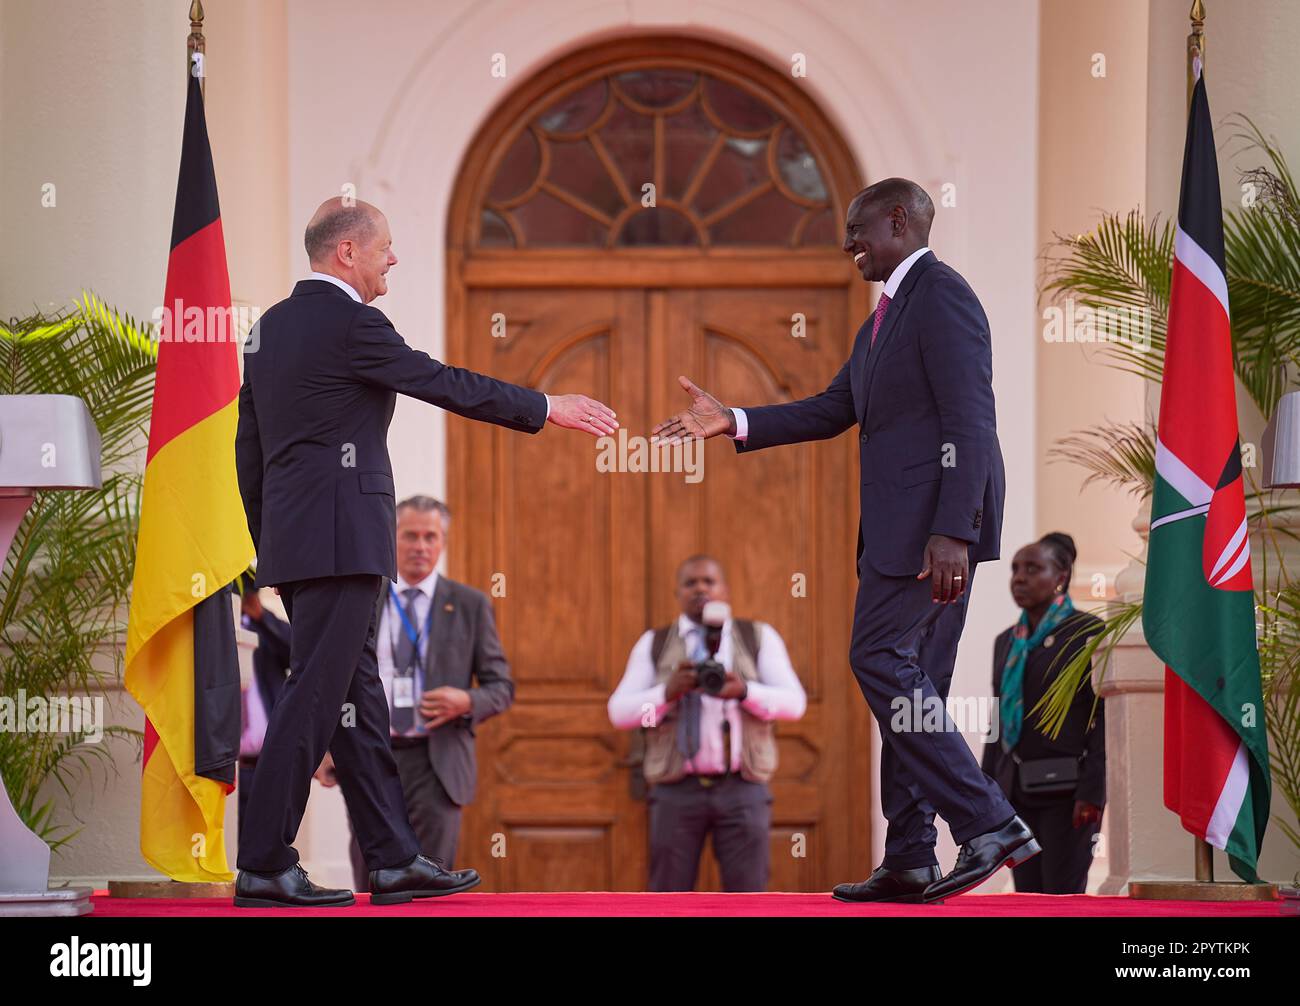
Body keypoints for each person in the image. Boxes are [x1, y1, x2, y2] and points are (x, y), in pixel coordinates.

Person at [651, 177, 1035, 905]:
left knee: (876, 658)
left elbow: (971, 419)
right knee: (913, 689)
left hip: (932, 535)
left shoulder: (943, 296)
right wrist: (731, 420)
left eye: (858, 227)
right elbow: (834, 408)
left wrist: (954, 531)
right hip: (907, 535)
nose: (846, 242)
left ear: (900, 220)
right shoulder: (881, 321)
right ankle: (912, 853)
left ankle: (990, 822)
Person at [233, 196, 617, 908]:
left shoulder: (267, 331)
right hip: (347, 540)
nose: (393, 259)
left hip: (301, 543)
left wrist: (274, 548)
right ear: (347, 253)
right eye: (384, 248)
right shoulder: (354, 323)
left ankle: (392, 859)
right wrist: (545, 407)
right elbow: (440, 382)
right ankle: (261, 861)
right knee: (317, 694)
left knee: (355, 701)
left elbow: (248, 448)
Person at [314, 495, 513, 888]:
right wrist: (325, 744)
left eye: (430, 537)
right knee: (372, 876)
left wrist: (467, 700)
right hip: (371, 755)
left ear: (442, 542)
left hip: (437, 761)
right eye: (410, 536)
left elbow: (501, 686)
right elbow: (329, 678)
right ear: (392, 537)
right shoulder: (363, 597)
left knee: (431, 882)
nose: (420, 546)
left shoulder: (469, 605)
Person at [608, 555, 806, 891]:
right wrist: (666, 694)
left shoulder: (757, 637)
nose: (700, 588)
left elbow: (794, 705)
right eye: (690, 583)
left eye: (709, 582)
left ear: (724, 590)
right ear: (678, 593)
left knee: (748, 900)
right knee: (668, 900)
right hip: (676, 791)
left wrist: (744, 691)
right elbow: (620, 713)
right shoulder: (654, 644)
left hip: (743, 789)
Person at [982, 532, 1105, 894]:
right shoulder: (1006, 640)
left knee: (1062, 896)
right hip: (1014, 793)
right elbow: (997, 721)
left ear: (1061, 576)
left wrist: (1094, 792)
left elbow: (1103, 721)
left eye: (1033, 569)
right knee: (1026, 896)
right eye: (1015, 569)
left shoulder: (1088, 632)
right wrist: (985, 791)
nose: (1019, 578)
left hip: (1069, 794)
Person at [234, 577, 292, 847]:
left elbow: (298, 650)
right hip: (231, 767)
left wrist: (262, 618)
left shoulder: (264, 632)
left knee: (268, 845)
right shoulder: (216, 635)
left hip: (266, 766)